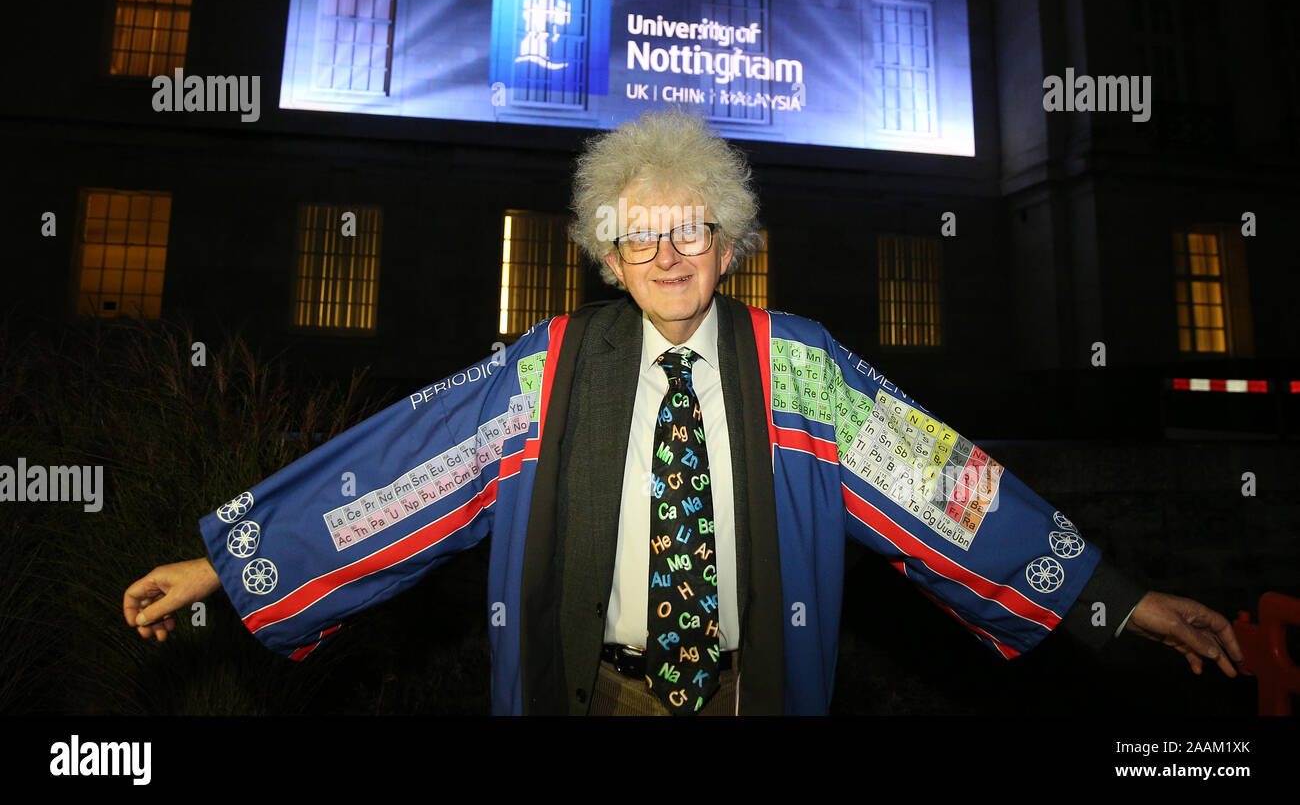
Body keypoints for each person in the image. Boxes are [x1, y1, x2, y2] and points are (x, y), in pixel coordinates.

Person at [125, 110, 1246, 715]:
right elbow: (397, 466)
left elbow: (950, 488)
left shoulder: (801, 366)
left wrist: (1116, 599)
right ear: (607, 255)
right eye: (640, 233)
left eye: (691, 228)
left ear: (729, 241)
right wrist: (226, 562)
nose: (667, 253)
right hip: (591, 690)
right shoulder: (544, 367)